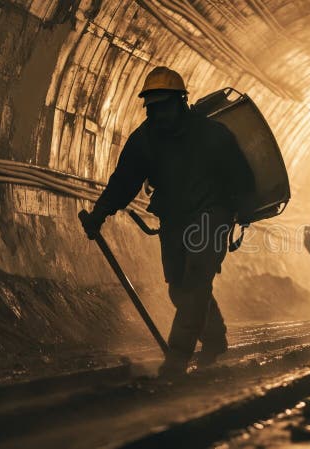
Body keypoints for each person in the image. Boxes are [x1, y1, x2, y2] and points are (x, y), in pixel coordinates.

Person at [79, 66, 254, 377]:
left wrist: (243, 210)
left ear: (181, 101)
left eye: (164, 106)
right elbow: (124, 182)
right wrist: (99, 213)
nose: (158, 114)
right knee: (178, 289)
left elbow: (240, 175)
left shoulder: (213, 135)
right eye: (152, 108)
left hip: (212, 216)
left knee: (197, 278)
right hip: (174, 218)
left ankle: (177, 356)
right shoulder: (144, 141)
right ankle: (214, 338)